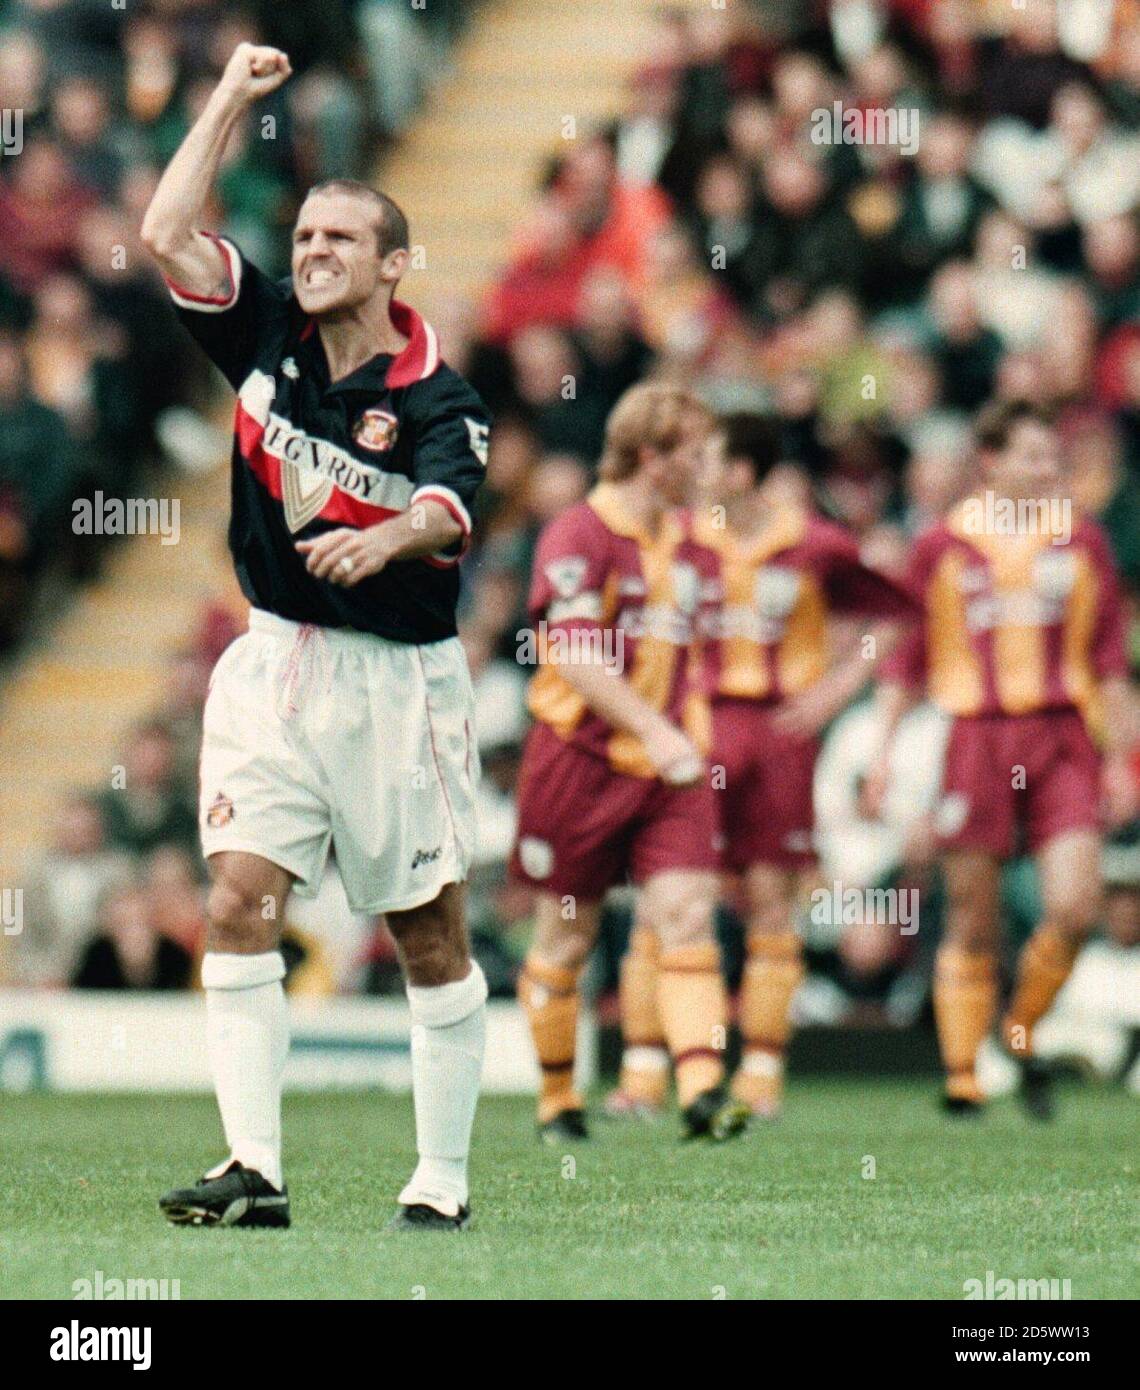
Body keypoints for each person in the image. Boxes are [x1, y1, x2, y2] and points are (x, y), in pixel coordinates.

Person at [140, 43, 493, 1229]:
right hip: (272, 654)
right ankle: (256, 1170)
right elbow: (162, 232)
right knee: (238, 897)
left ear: (395, 265)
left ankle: (439, 1179)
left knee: (424, 932)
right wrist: (232, 100)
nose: (309, 255)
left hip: (395, 682)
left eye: (338, 240)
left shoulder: (438, 394)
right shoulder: (269, 335)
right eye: (300, 238)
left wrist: (382, 541)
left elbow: (448, 512)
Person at [610, 413, 919, 1120]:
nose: (697, 470)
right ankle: (643, 1072)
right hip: (694, 728)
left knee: (773, 898)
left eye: (711, 459)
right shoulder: (678, 538)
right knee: (670, 893)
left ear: (744, 472)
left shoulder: (813, 543)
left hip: (780, 733)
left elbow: (897, 614)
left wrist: (834, 692)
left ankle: (761, 1075)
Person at [866, 400, 1137, 1118]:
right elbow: (907, 656)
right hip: (978, 737)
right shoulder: (943, 547)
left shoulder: (1082, 542)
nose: (1049, 469)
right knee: (972, 913)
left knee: (1076, 907)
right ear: (991, 463)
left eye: (1053, 457)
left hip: (1062, 738)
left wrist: (1119, 758)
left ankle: (1018, 1031)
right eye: (1033, 456)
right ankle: (962, 1075)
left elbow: (1109, 657)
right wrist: (885, 752)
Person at [510, 382, 748, 1144]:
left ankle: (704, 1091)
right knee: (567, 939)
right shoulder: (578, 533)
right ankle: (557, 1100)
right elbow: (575, 656)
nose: (710, 471)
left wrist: (692, 734)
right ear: (653, 458)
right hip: (577, 764)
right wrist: (657, 730)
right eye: (697, 455)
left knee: (685, 915)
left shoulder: (693, 549)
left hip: (667, 772)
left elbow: (695, 660)